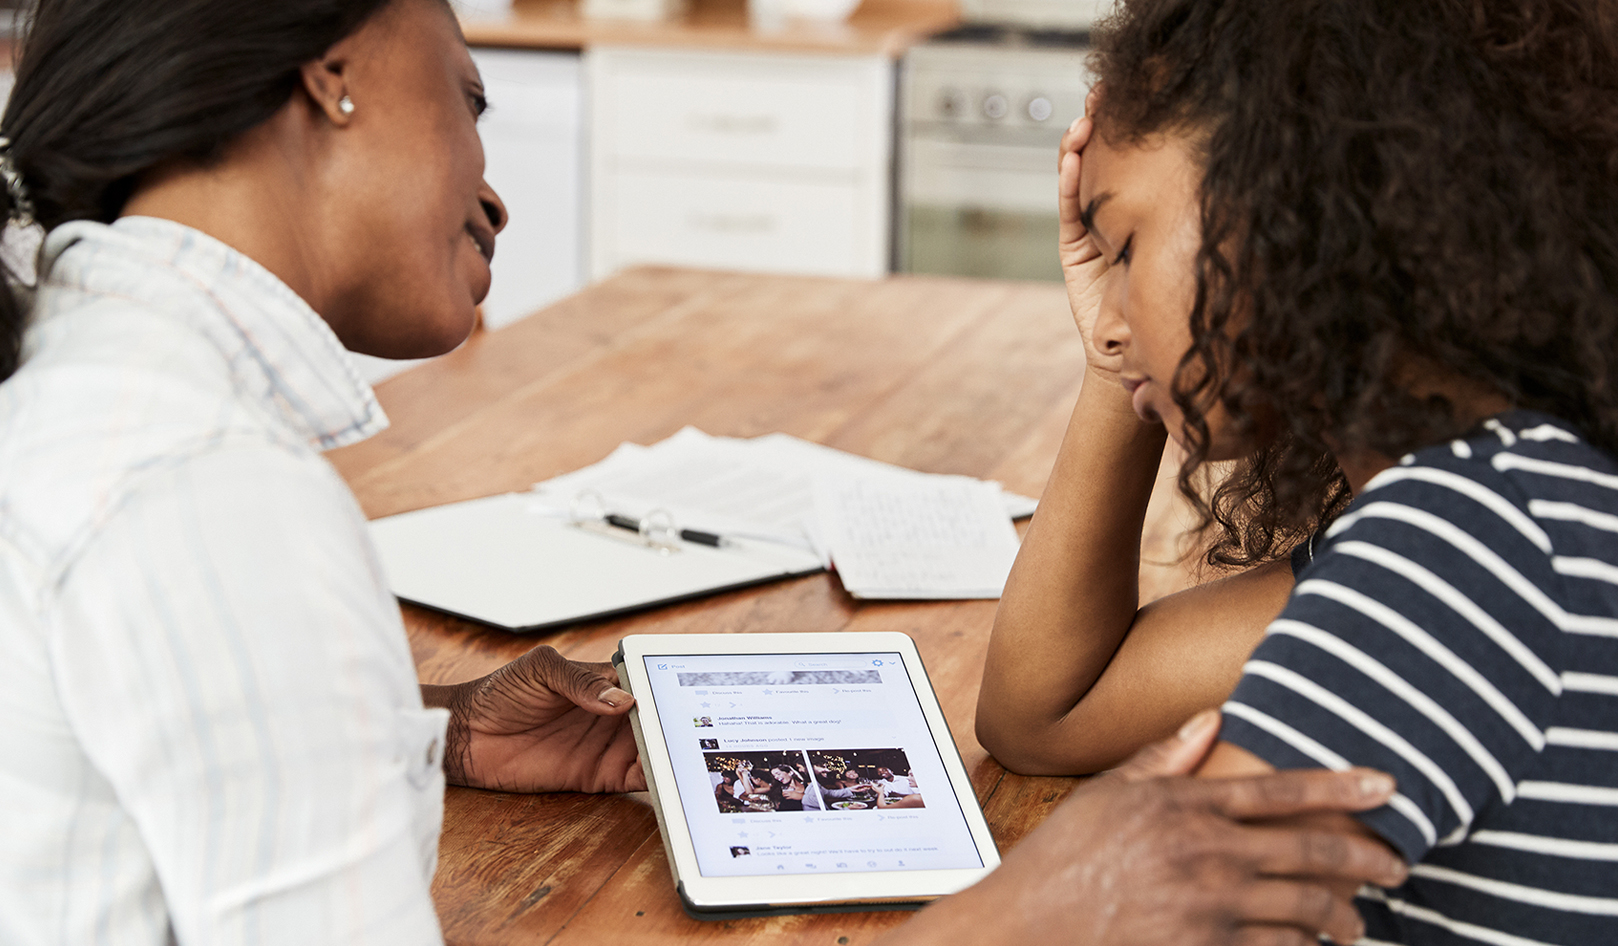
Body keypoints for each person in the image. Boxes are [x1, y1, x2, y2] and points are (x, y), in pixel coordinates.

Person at [972, 0, 1618, 942]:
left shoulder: (1465, 554)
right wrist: (1125, 362)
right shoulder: (1497, 511)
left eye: (1128, 247)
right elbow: (1044, 715)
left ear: (1285, 213)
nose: (1106, 318)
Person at [0, 1, 644, 943]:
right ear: (332, 79)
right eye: (471, 101)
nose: (496, 200)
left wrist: (420, 726)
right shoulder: (209, 486)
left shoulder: (88, 374)